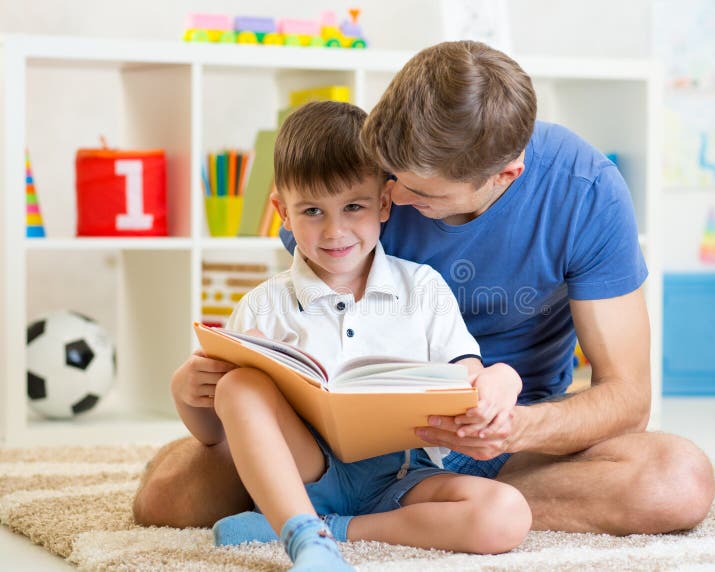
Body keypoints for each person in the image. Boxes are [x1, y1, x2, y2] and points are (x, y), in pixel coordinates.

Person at [134, 40, 715, 537]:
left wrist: (514, 428)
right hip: (338, 444)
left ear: (504, 176)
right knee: (165, 498)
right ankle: (377, 510)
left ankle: (374, 516)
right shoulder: (361, 187)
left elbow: (627, 398)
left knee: (676, 480)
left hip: (507, 440)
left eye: (421, 193)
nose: (392, 199)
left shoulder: (584, 191)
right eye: (389, 177)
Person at [159, 100, 532, 569]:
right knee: (238, 384)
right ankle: (303, 536)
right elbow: (217, 435)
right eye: (313, 210)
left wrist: (502, 379)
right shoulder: (263, 304)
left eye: (353, 207)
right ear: (283, 212)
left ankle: (332, 531)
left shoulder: (423, 287)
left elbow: (468, 375)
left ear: (384, 203)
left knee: (506, 514)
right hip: (303, 474)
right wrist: (185, 392)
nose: (335, 231)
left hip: (402, 474)